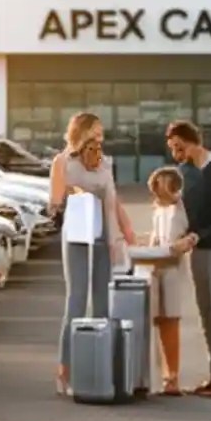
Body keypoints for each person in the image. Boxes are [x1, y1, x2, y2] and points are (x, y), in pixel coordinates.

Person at [49, 112, 136, 396]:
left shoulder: (106, 163)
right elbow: (54, 203)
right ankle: (65, 368)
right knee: (76, 301)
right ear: (80, 132)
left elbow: (113, 200)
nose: (99, 139)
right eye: (94, 133)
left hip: (103, 238)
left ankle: (99, 367)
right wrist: (76, 194)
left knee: (102, 305)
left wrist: (126, 233)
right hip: (76, 236)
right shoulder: (63, 162)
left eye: (101, 134)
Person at [166, 120, 211, 399]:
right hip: (196, 250)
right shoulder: (185, 173)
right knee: (207, 314)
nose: (176, 153)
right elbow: (185, 213)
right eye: (172, 148)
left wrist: (197, 237)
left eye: (178, 146)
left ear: (191, 141)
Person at [145, 166, 192, 396]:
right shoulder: (157, 211)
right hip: (157, 269)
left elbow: (183, 236)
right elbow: (155, 240)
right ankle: (162, 375)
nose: (160, 190)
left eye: (164, 184)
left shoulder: (181, 207)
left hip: (173, 269)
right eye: (157, 185)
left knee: (171, 320)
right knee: (159, 320)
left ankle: (172, 376)